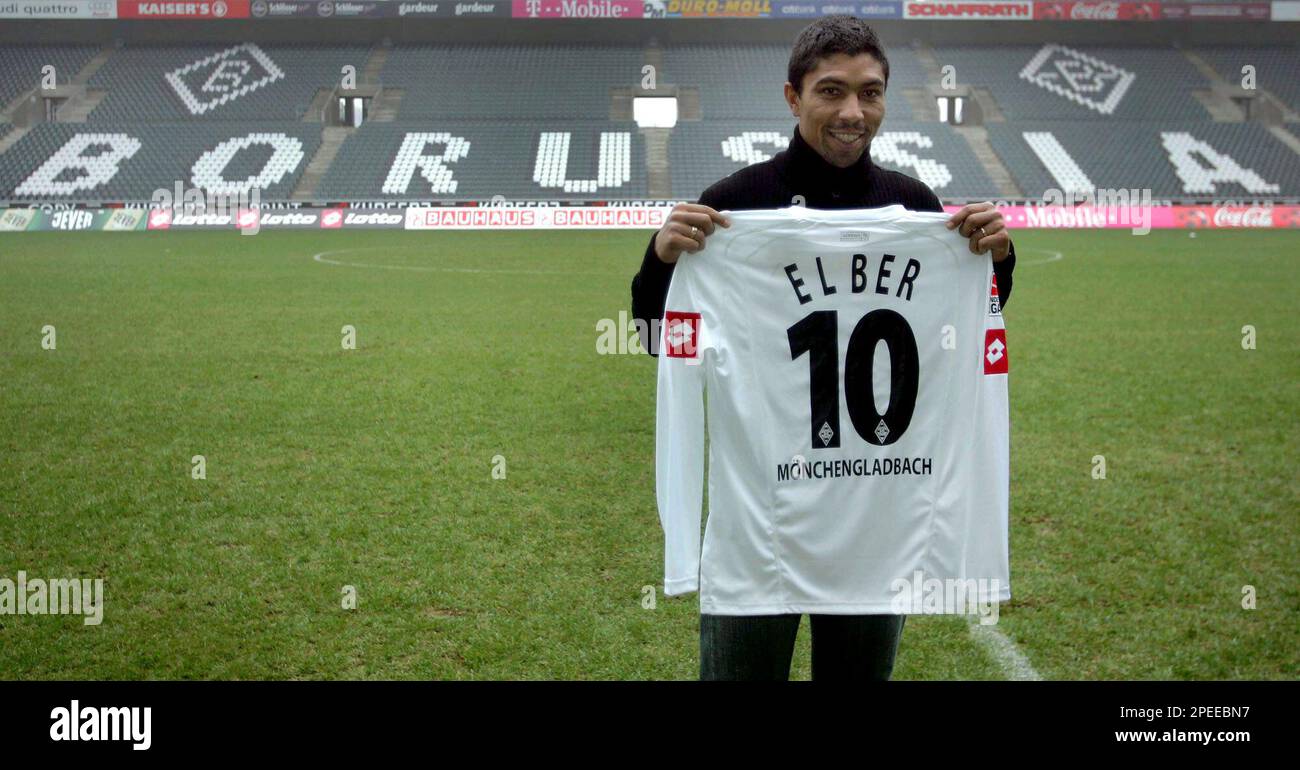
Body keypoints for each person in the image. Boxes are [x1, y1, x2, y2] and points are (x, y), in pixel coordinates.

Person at [631, 16, 1018, 681]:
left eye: (870, 93)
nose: (852, 111)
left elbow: (957, 330)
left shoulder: (914, 207)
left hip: (874, 522)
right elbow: (653, 339)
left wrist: (997, 259)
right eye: (831, 91)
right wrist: (662, 261)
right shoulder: (733, 209)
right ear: (792, 97)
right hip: (761, 525)